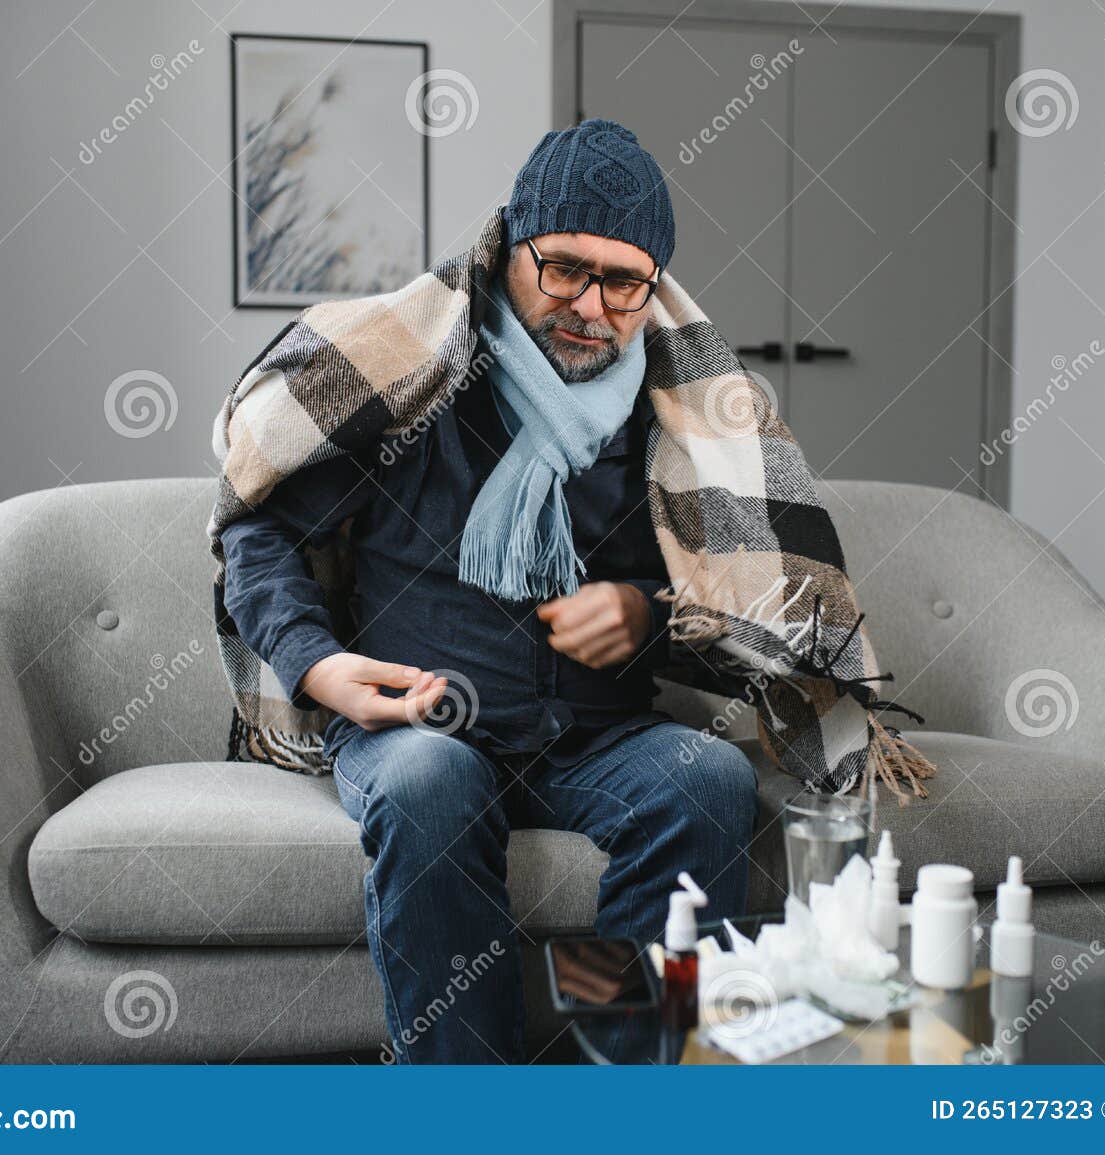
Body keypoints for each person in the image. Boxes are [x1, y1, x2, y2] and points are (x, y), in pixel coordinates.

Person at [218, 119, 759, 1063]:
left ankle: (620, 1080)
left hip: (592, 737)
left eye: (624, 282)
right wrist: (319, 665)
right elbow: (258, 532)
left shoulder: (671, 420)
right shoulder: (412, 381)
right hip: (420, 723)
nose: (590, 305)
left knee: (708, 778)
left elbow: (734, 592)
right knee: (431, 781)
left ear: (654, 288)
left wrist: (646, 617)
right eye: (565, 268)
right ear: (510, 248)